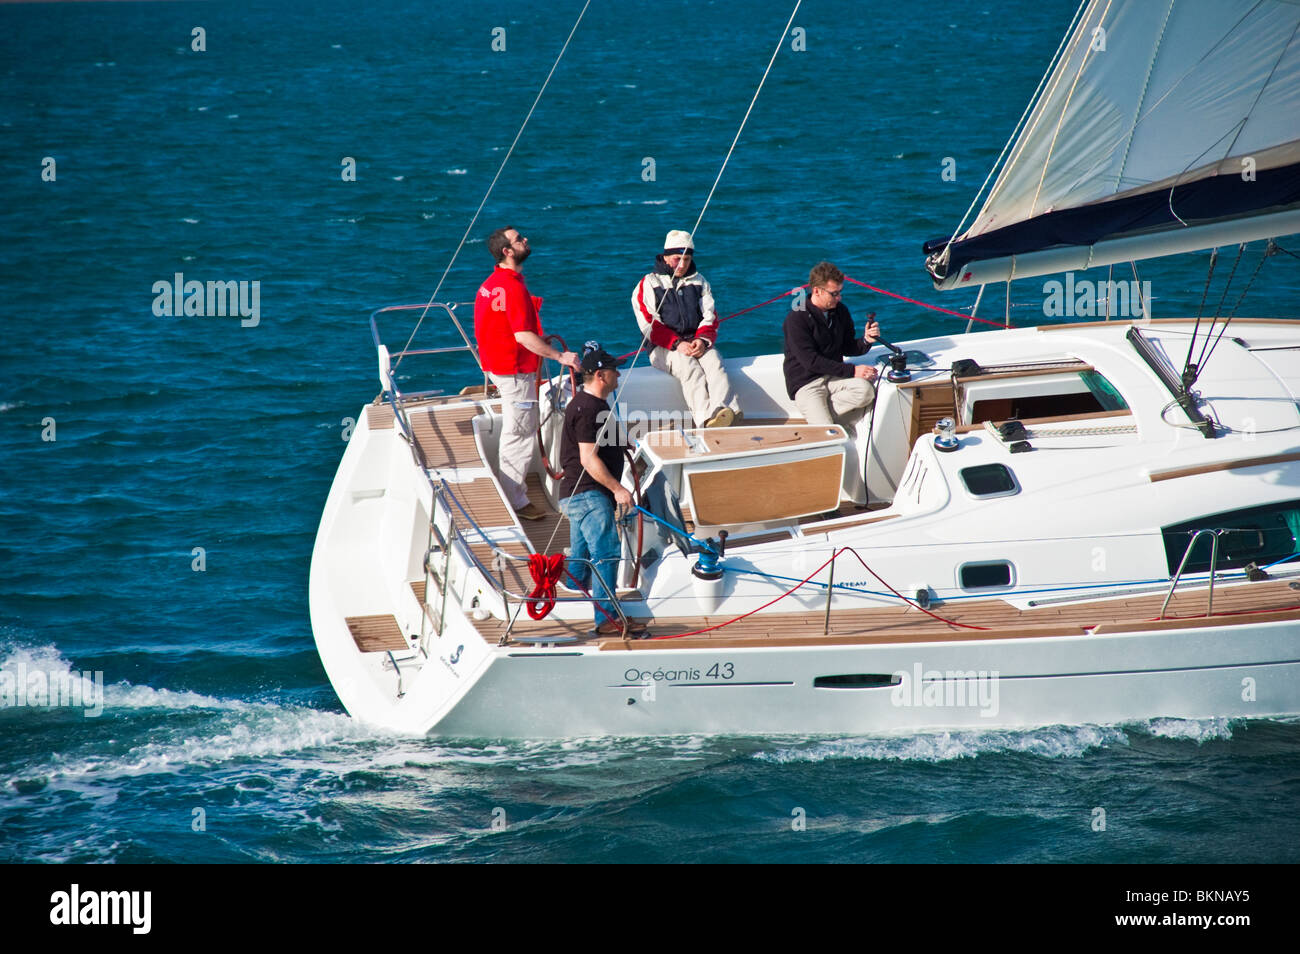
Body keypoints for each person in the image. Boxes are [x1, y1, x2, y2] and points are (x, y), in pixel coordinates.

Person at [473, 226, 579, 521]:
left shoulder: (491, 283)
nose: (525, 240)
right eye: (519, 239)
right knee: (518, 436)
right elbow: (522, 335)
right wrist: (560, 356)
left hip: (499, 368)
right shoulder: (513, 287)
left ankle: (509, 491)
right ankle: (515, 501)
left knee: (514, 432)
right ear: (507, 252)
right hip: (515, 372)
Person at [558, 342, 648, 637]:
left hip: (580, 494)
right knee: (607, 552)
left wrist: (623, 441)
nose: (619, 375)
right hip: (588, 494)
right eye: (614, 371)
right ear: (600, 375)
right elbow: (587, 458)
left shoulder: (595, 405)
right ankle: (606, 620)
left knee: (582, 559)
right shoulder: (586, 408)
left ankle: (570, 598)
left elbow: (599, 439)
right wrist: (619, 489)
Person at [782, 261, 881, 506]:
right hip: (806, 383)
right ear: (816, 291)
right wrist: (852, 370)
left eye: (840, 292)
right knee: (829, 440)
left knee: (866, 391)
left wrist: (866, 341)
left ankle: (826, 422)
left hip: (833, 379)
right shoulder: (796, 319)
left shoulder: (841, 312)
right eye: (834, 293)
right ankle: (821, 500)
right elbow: (810, 361)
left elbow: (848, 347)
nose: (838, 297)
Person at [632, 230, 741, 428]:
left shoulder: (700, 282)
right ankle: (705, 421)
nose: (682, 265)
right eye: (677, 259)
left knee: (714, 361)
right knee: (690, 368)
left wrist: (702, 340)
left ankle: (725, 411)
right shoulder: (647, 284)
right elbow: (649, 324)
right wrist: (677, 344)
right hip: (662, 348)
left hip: (696, 342)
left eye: (687, 259)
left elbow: (710, 316)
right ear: (665, 257)